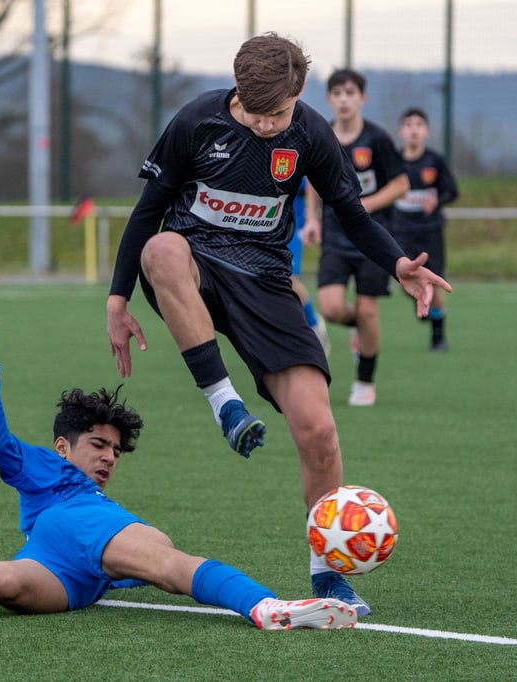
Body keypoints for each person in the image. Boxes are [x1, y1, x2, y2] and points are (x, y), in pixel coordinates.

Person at [105, 33, 451, 616]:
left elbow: (350, 213)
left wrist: (397, 265)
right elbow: (146, 211)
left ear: (299, 94)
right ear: (237, 90)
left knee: (319, 432)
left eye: (281, 114)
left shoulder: (311, 133)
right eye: (259, 114)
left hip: (267, 282)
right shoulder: (195, 122)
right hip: (195, 268)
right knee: (162, 249)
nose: (269, 126)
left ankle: (328, 575)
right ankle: (225, 404)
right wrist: (118, 299)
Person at [0, 291, 357, 631]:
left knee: (168, 566)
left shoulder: (98, 502)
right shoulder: (48, 470)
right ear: (63, 446)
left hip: (84, 564)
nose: (110, 457)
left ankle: (264, 607)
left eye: (115, 450)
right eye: (98, 445)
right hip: (54, 560)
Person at [300, 68, 411, 407]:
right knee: (332, 308)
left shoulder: (376, 140)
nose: (344, 99)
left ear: (362, 98)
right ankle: (357, 330)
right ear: (329, 99)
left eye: (351, 93)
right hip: (335, 237)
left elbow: (401, 184)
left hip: (372, 238)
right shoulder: (321, 135)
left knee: (368, 310)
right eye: (337, 93)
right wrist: (313, 220)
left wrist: (363, 206)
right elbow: (314, 182)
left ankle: (365, 382)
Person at [394, 107, 460, 351]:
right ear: (401, 131)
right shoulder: (393, 161)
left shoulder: (435, 161)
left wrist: (438, 200)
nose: (414, 128)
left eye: (419, 124)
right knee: (404, 278)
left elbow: (452, 190)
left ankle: (438, 336)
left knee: (435, 281)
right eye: (409, 124)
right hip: (400, 230)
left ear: (427, 131)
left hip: (430, 231)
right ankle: (418, 299)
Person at [291, 177, 331, 355]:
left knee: (289, 281)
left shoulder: (294, 151)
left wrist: (311, 218)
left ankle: (313, 324)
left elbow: (311, 185)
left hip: (293, 225)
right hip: (261, 223)